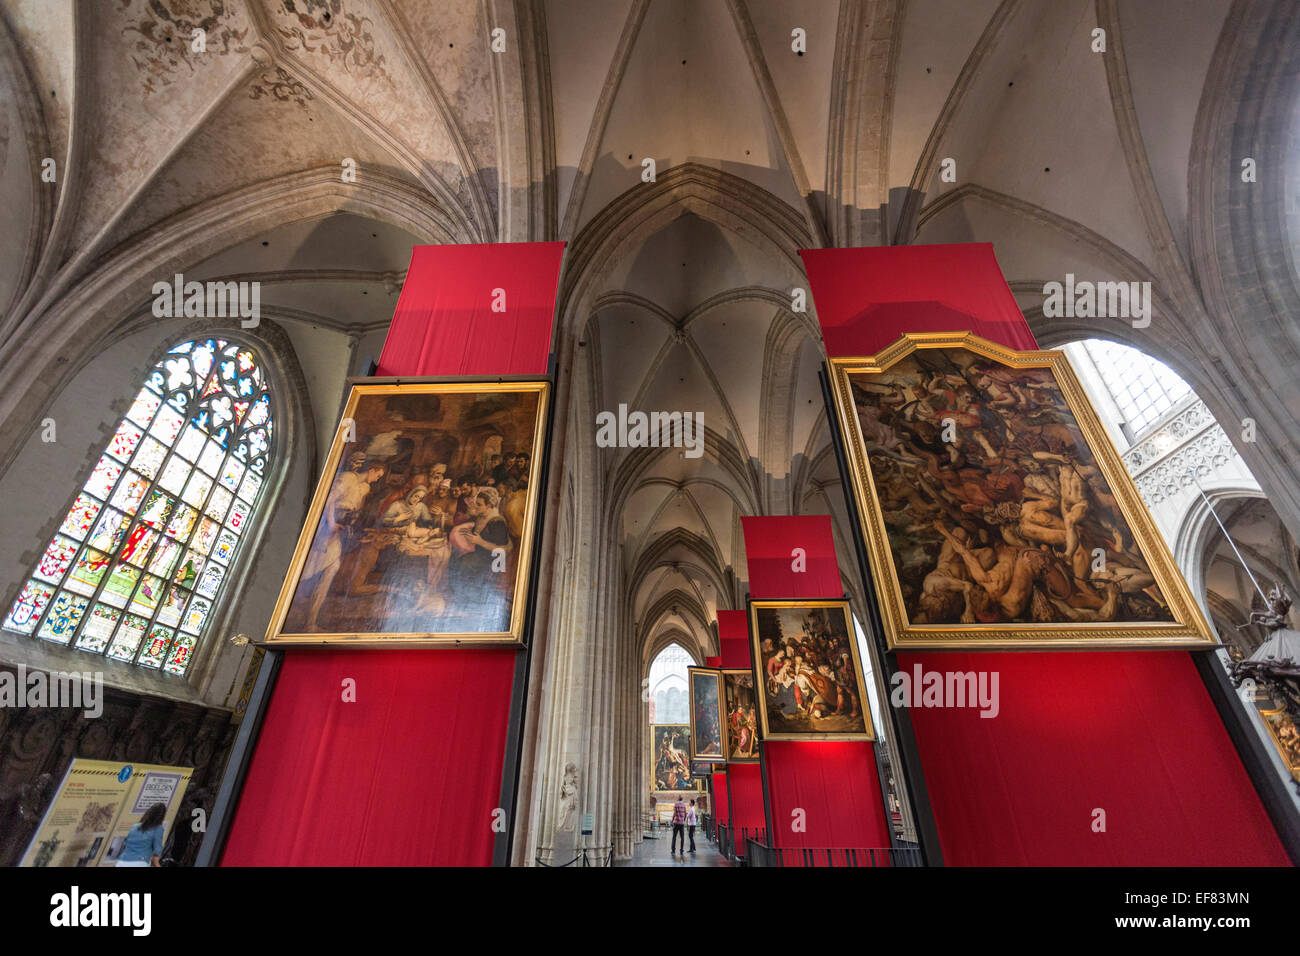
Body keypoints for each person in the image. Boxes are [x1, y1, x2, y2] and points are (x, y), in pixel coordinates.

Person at [116, 803, 166, 867]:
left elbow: (126, 842)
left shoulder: (135, 826)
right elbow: (157, 849)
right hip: (140, 862)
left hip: (122, 861)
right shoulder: (158, 828)